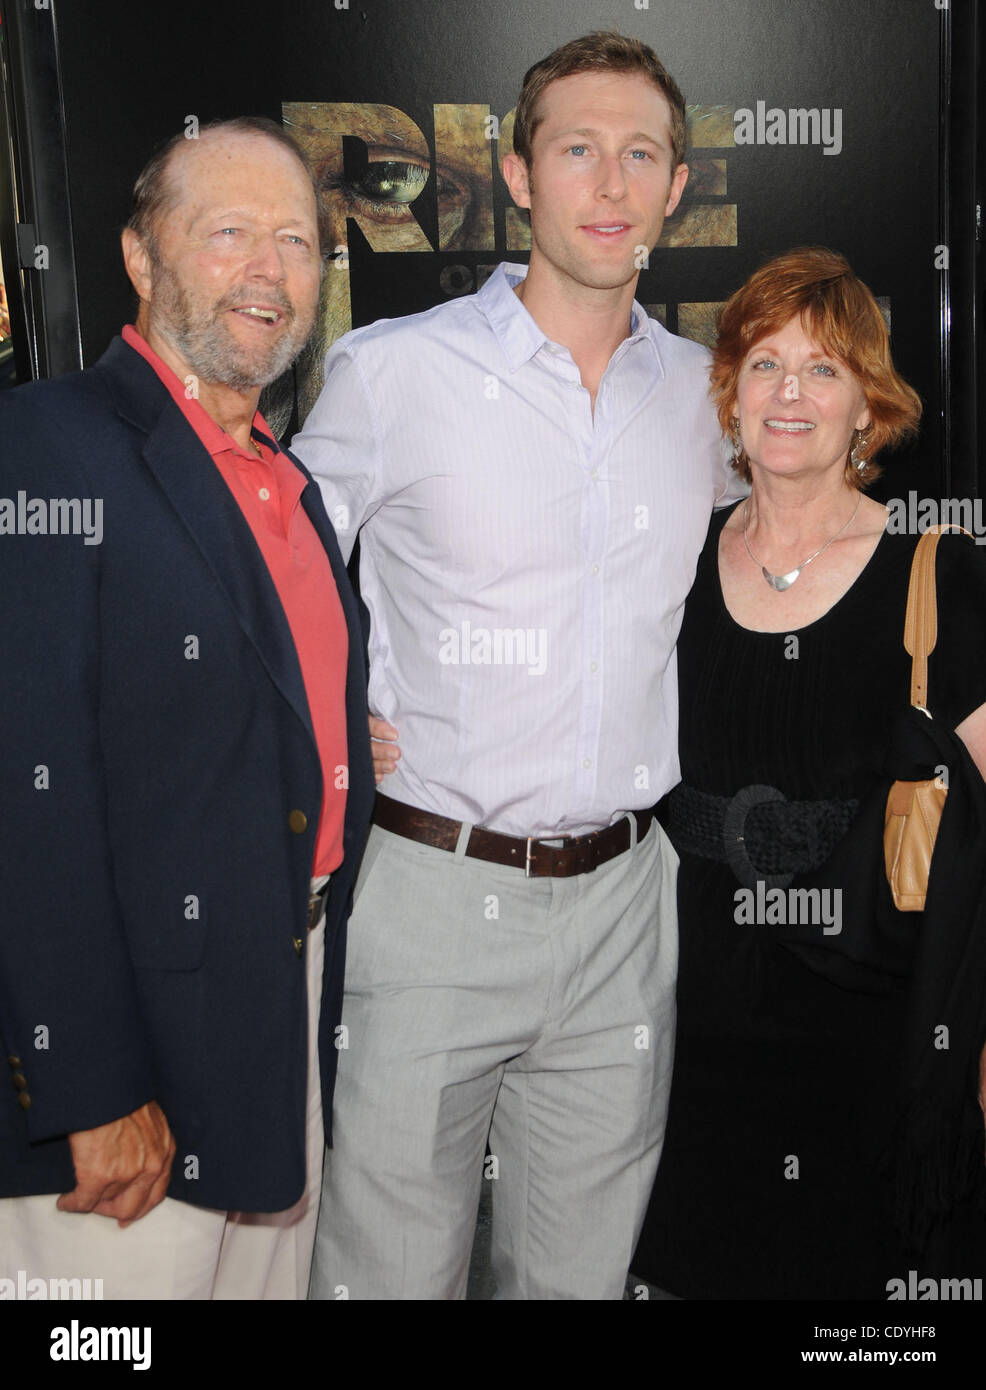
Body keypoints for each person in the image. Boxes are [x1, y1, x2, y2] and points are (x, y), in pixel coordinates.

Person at [292, 31, 742, 1300]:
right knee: (383, 1280)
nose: (609, 182)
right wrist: (337, 717)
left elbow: (797, 556)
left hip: (622, 907)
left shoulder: (707, 400)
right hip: (434, 893)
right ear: (517, 174)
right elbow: (267, 579)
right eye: (577, 149)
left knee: (577, 1284)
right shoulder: (394, 374)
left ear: (672, 188)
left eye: (639, 154)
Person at [0, 117, 374, 1300]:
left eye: (295, 242)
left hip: (274, 1011)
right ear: (139, 257)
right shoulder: (45, 448)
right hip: (128, 1071)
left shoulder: (286, 476)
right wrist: (93, 1087)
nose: (268, 270)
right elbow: (28, 793)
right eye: (226, 234)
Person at [631, 247, 986, 1299]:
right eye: (763, 365)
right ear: (728, 399)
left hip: (872, 1027)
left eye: (823, 369)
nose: (790, 393)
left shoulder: (937, 574)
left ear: (864, 409)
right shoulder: (670, 567)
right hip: (684, 1024)